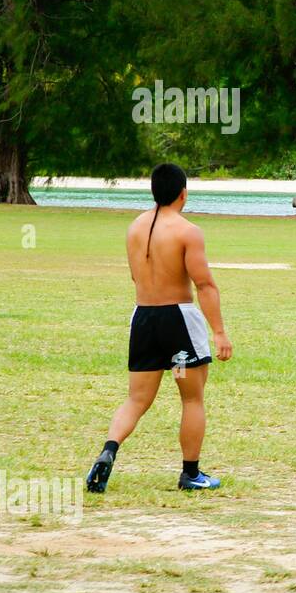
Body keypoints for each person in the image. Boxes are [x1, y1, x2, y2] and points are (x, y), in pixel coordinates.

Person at [85, 164, 233, 494]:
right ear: (184, 193)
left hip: (144, 320)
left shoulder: (135, 228)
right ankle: (191, 474)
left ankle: (109, 449)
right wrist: (220, 332)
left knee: (136, 399)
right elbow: (205, 285)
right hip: (177, 324)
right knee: (191, 398)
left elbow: (136, 277)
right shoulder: (187, 231)